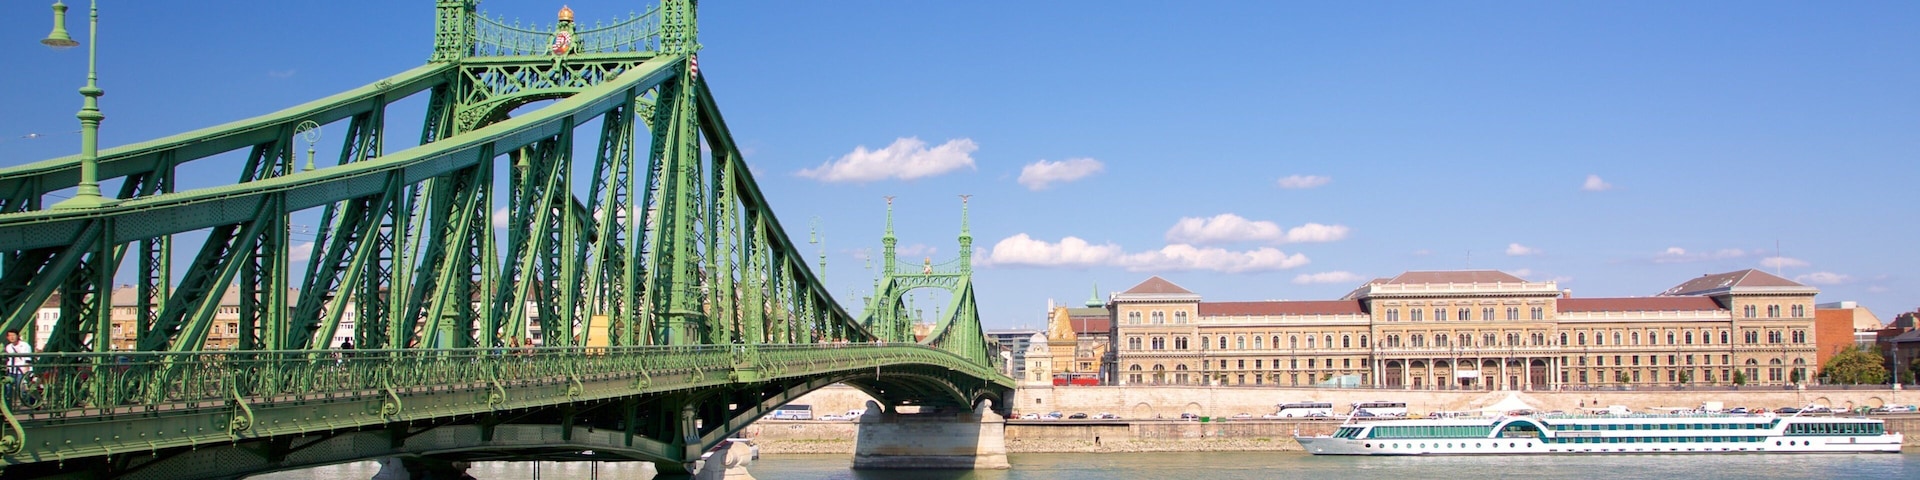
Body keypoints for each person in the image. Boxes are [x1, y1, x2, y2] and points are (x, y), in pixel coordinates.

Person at [4, 329, 34, 405]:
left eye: (13, 335)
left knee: (21, 390)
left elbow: (28, 360)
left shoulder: (25, 346)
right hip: (11, 370)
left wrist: (26, 371)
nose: (11, 337)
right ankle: (8, 406)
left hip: (21, 370)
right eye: (9, 336)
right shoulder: (8, 347)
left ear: (18, 336)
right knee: (7, 388)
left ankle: (32, 401)